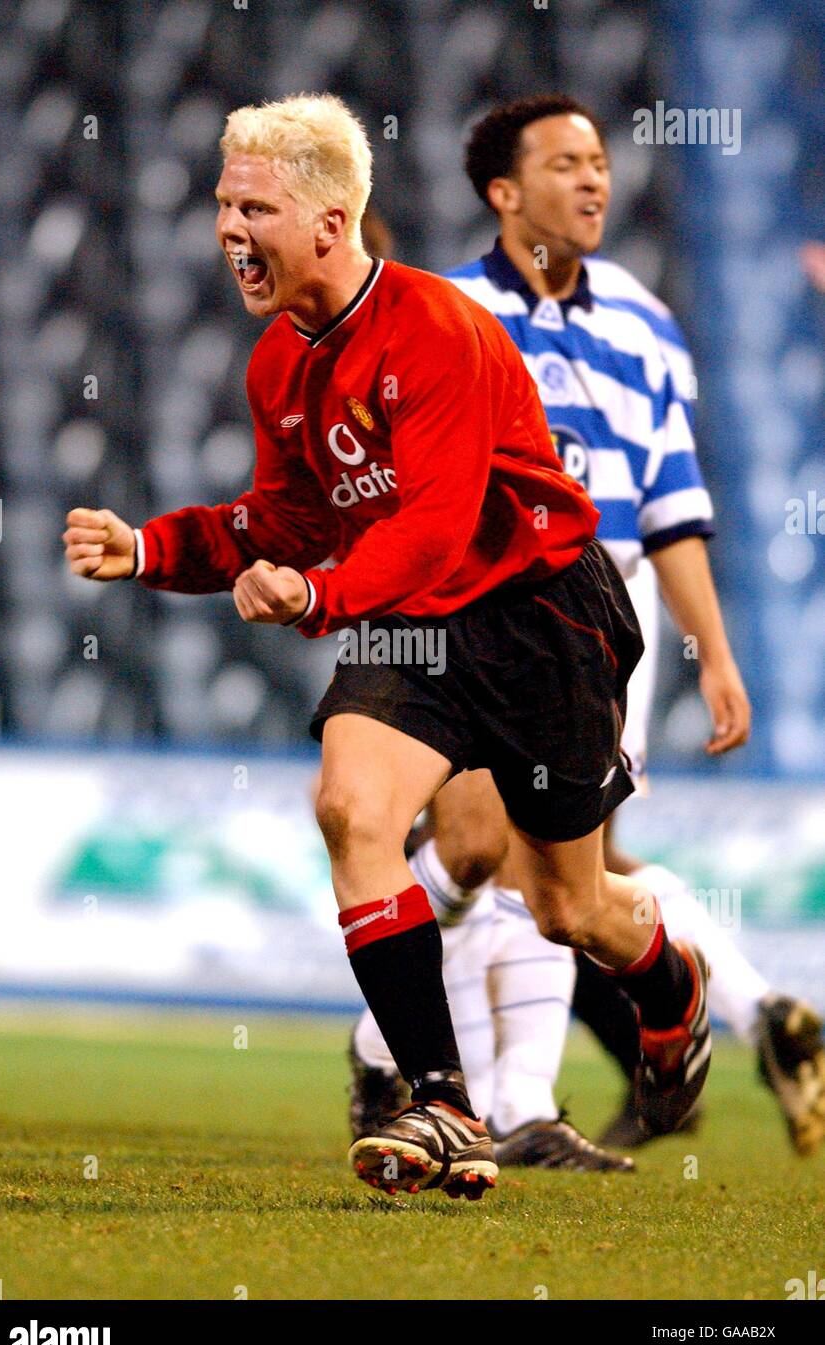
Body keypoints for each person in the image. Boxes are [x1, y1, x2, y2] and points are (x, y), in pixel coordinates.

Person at [62, 92, 711, 1202]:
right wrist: (153, 549)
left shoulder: (437, 329)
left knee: (566, 906)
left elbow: (432, 525)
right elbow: (283, 517)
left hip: (540, 613)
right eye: (222, 204)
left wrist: (316, 592)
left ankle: (669, 978)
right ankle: (443, 1099)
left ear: (328, 220)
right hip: (418, 620)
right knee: (353, 808)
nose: (226, 229)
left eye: (251, 206)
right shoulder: (279, 364)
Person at [352, 94, 825, 1164]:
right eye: (564, 163)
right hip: (474, 600)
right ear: (503, 193)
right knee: (486, 850)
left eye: (600, 162)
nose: (594, 180)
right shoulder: (449, 311)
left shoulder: (643, 321)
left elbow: (671, 508)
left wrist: (711, 654)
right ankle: (431, 1064)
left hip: (604, 613)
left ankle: (498, 1097)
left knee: (558, 867)